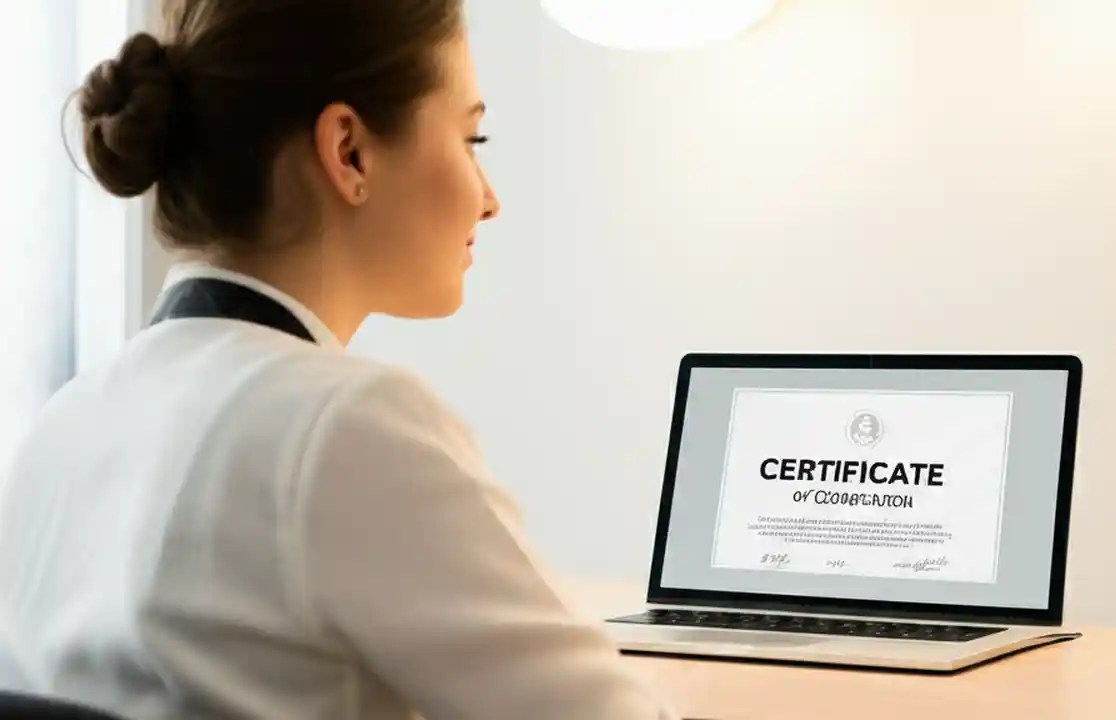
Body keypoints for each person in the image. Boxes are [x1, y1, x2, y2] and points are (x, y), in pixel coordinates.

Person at [0, 1, 677, 718]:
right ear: (349, 151)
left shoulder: (64, 424)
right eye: (472, 137)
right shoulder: (344, 426)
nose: (489, 199)